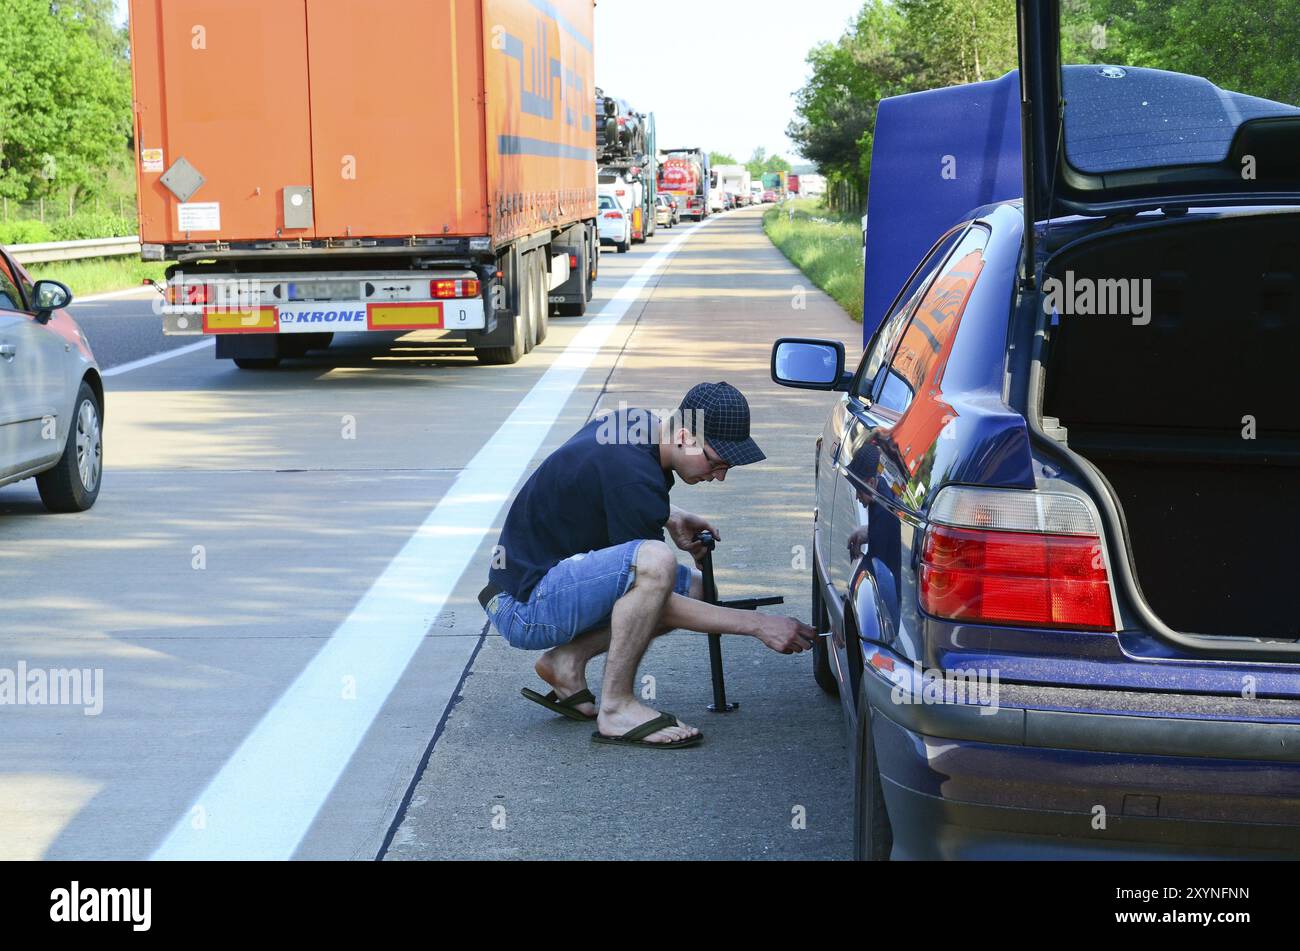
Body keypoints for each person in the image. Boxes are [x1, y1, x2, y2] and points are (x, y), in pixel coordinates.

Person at [479, 382, 816, 749]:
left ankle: (567, 662)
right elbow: (653, 583)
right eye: (716, 462)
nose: (719, 476)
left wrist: (670, 515)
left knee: (697, 589)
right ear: (685, 437)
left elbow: (597, 482)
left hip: (536, 582)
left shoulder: (637, 424)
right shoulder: (633, 476)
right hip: (527, 606)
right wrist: (759, 625)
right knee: (657, 564)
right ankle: (617, 709)